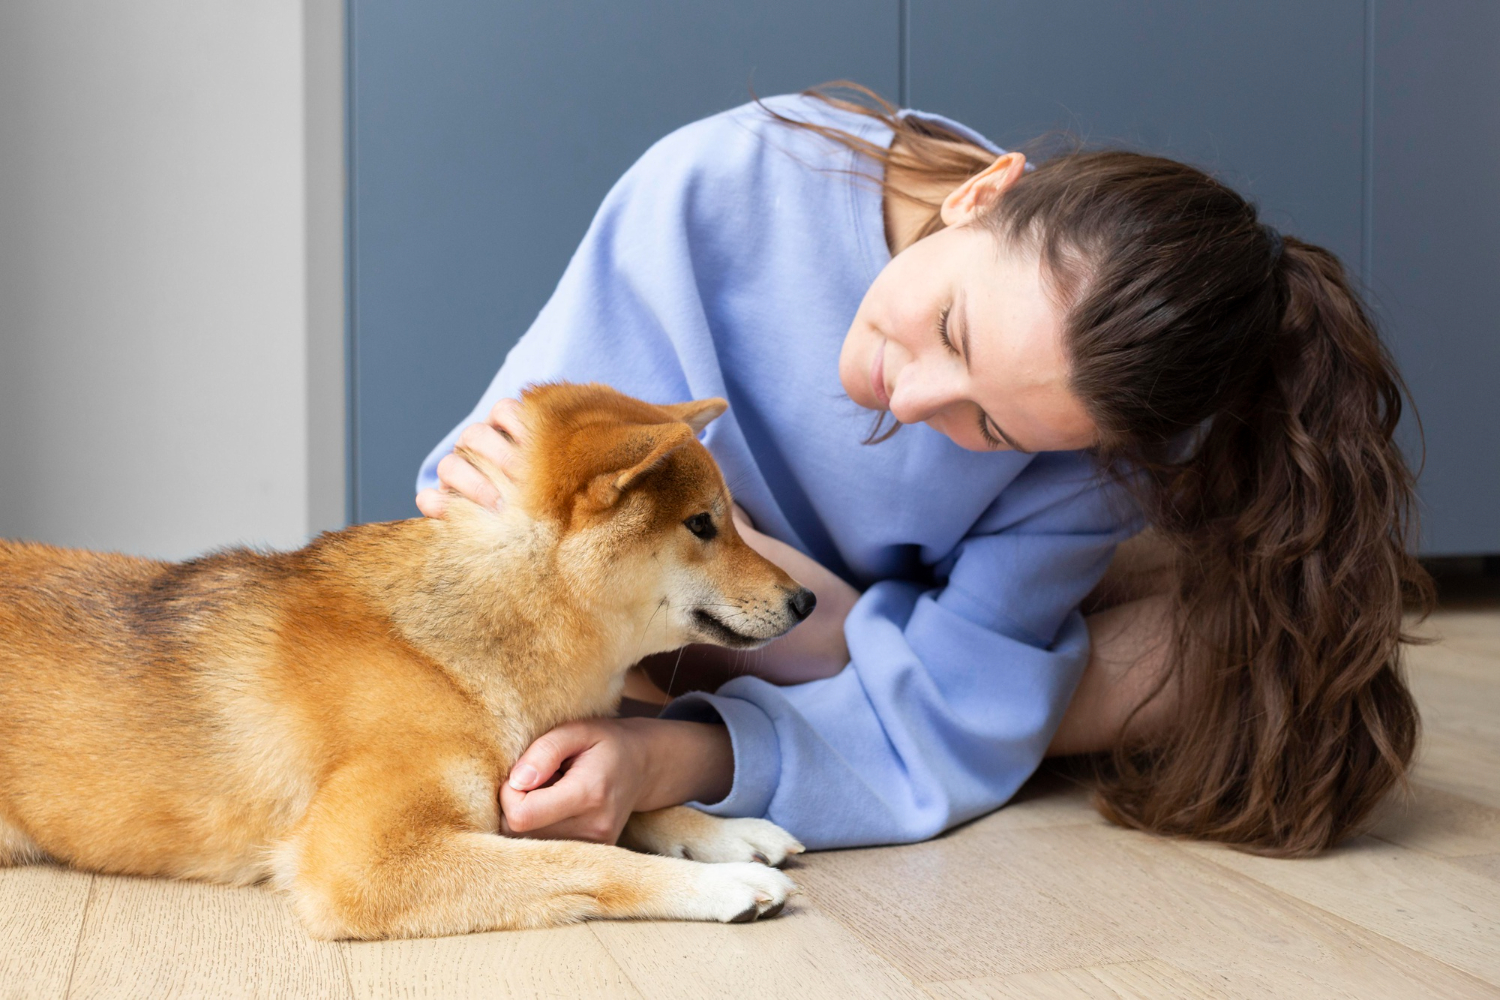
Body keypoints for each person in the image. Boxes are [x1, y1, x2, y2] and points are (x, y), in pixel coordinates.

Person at [414, 85, 1429, 857]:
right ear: (984, 196)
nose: (906, 399)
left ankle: (895, 688)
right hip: (730, 606)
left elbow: (950, 684)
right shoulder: (729, 182)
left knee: (1218, 639)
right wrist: (821, 622)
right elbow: (496, 501)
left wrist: (673, 758)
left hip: (826, 614)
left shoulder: (1090, 457)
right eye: (951, 325)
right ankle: (900, 687)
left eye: (986, 420)